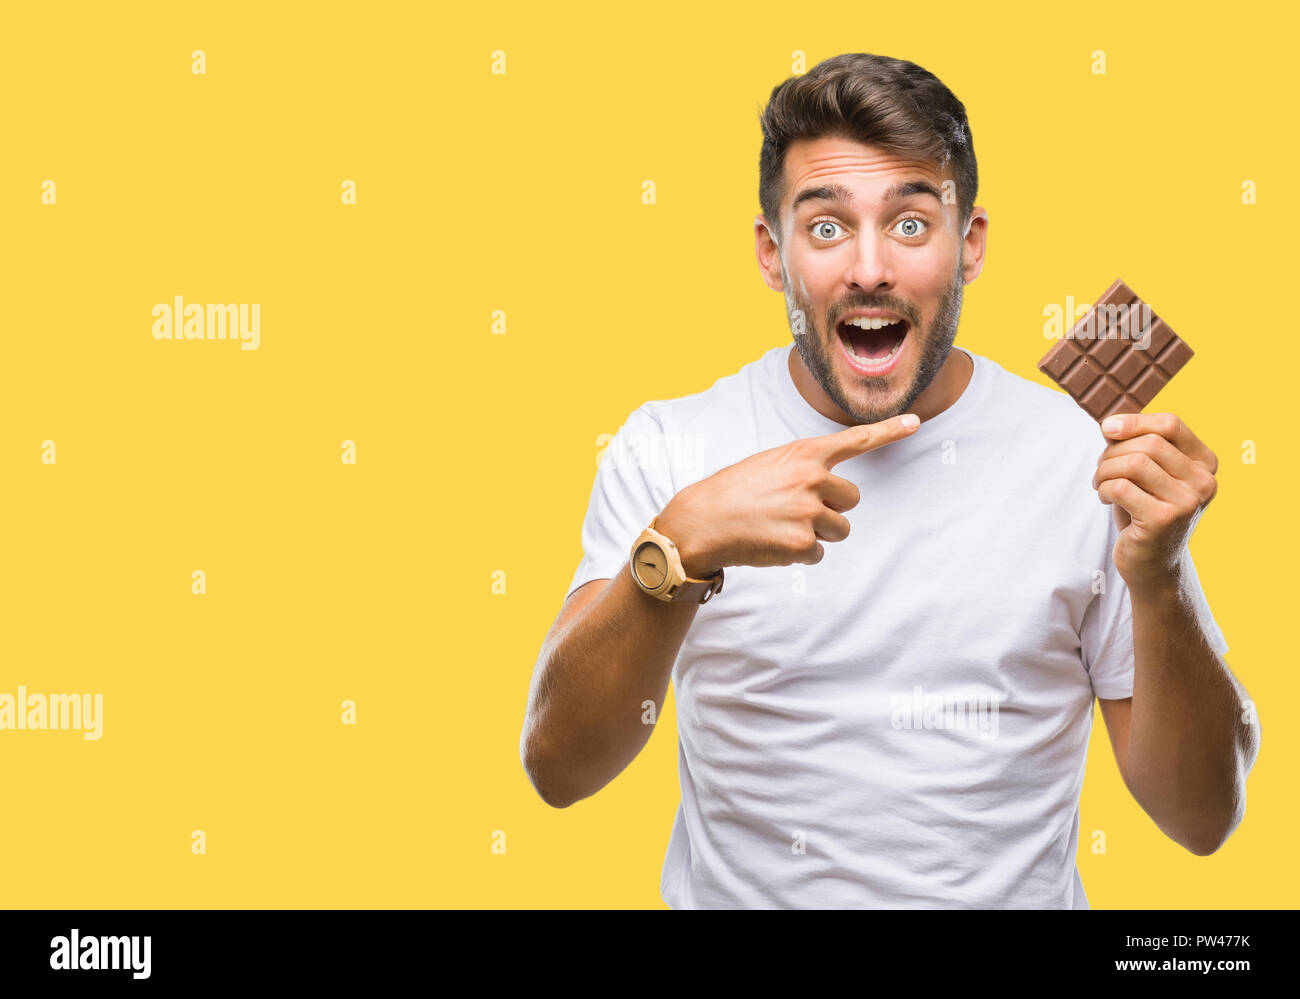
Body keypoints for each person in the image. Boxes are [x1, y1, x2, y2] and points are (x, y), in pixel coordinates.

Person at [519, 52, 1260, 908]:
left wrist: (1160, 578)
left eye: (911, 223)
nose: (869, 268)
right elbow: (558, 769)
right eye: (826, 226)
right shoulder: (671, 448)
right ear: (772, 253)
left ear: (969, 244)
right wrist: (676, 550)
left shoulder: (1081, 461)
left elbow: (1203, 817)